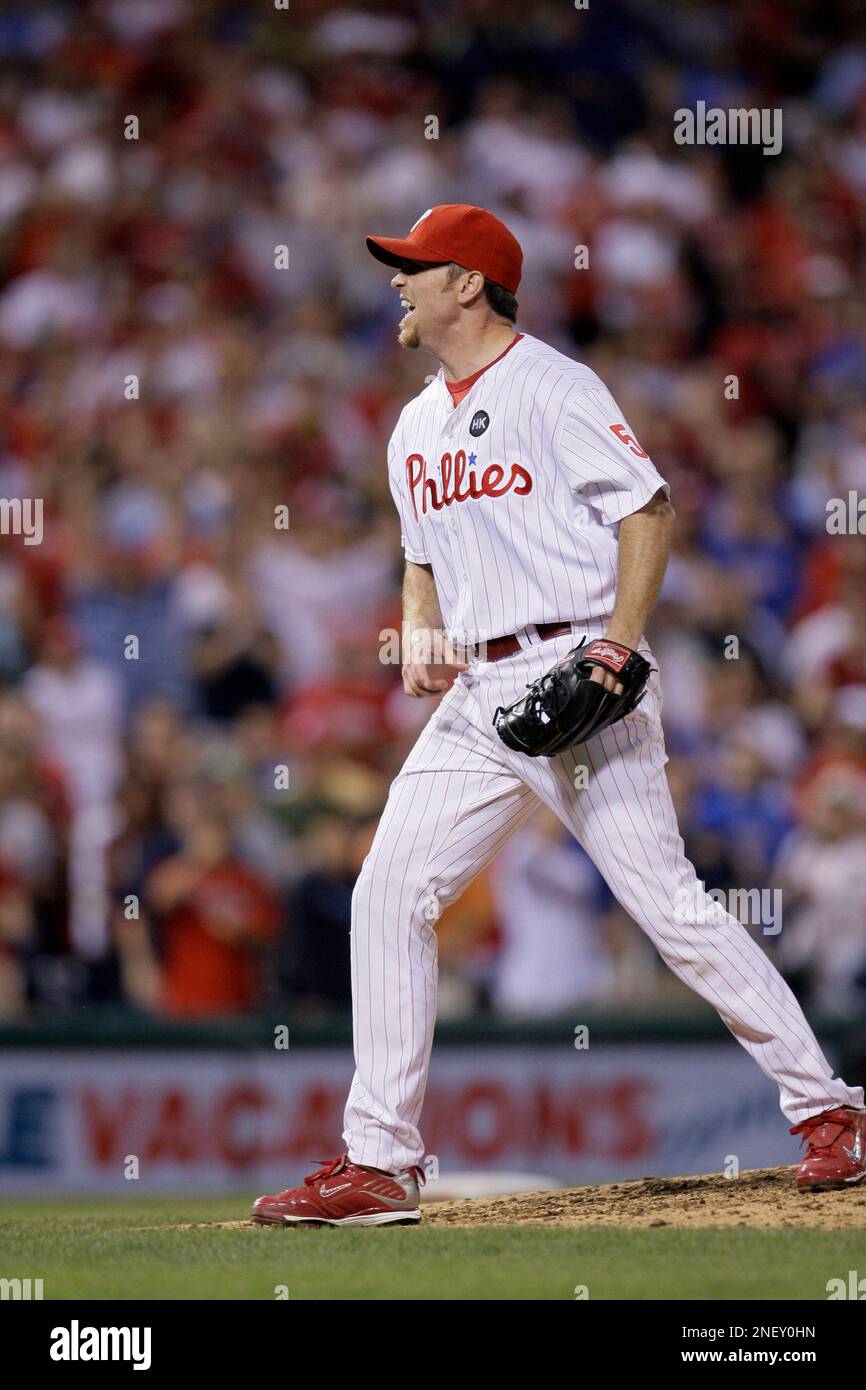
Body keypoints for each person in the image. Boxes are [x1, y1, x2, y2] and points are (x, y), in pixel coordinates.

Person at [252, 205, 865, 1227]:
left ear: (470, 284)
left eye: (415, 268)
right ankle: (378, 1162)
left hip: (573, 662)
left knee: (667, 906)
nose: (395, 283)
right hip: (475, 696)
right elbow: (418, 551)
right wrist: (415, 625)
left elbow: (646, 508)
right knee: (385, 892)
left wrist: (616, 646)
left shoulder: (552, 384)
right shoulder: (413, 422)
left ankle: (828, 1111)